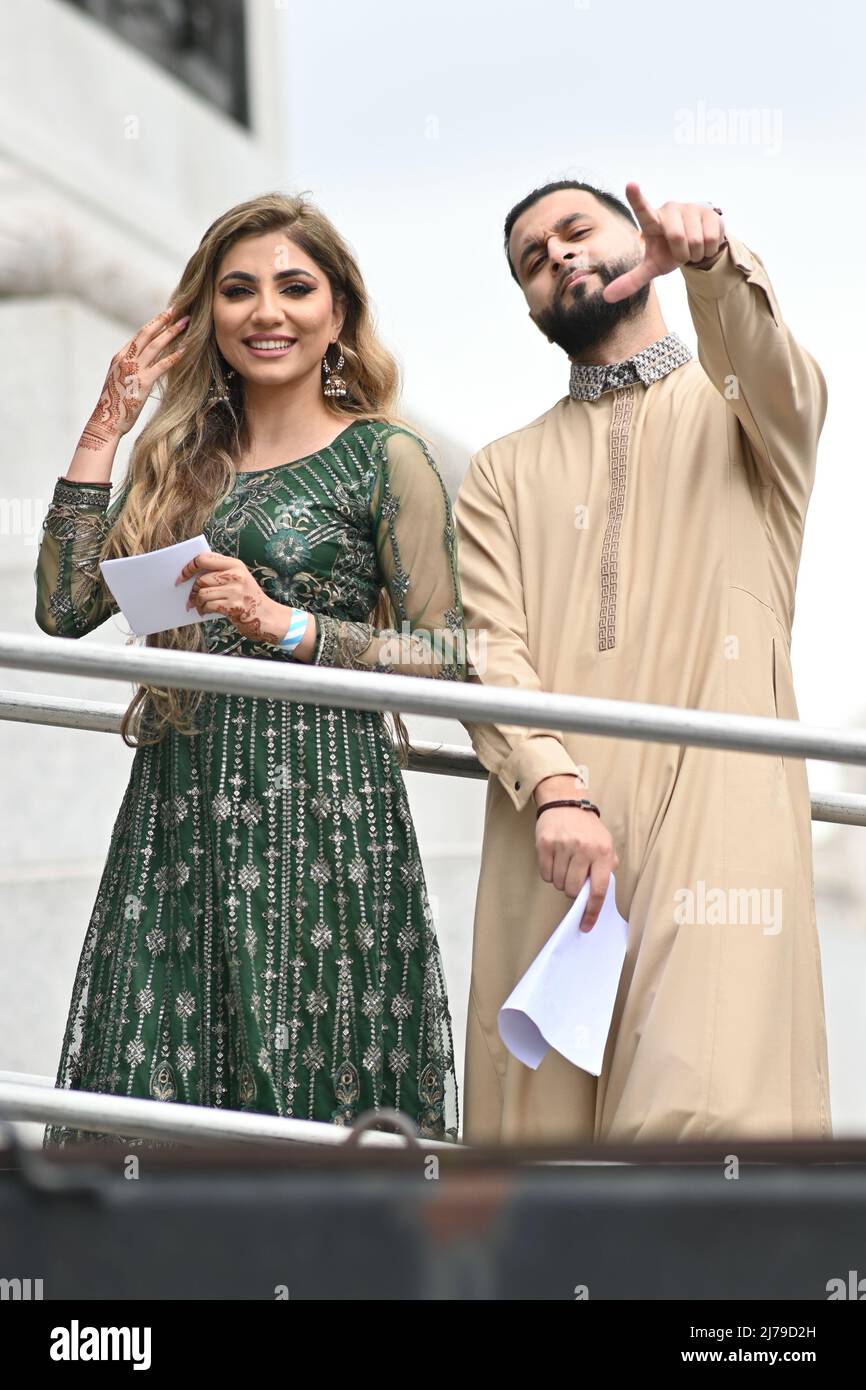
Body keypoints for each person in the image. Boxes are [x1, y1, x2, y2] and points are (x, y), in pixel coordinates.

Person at [35, 191, 467, 1147]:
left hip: (324, 813)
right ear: (208, 316)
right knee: (150, 1083)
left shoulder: (384, 458)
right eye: (239, 291)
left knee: (309, 1084)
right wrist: (111, 420)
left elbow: (452, 652)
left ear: (339, 316)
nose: (267, 312)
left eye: (294, 288)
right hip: (179, 810)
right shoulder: (179, 457)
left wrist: (289, 626)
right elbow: (64, 610)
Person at [453, 178, 831, 1144]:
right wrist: (555, 788)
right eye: (533, 262)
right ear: (532, 307)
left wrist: (714, 262)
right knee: (541, 1141)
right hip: (556, 832)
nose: (559, 259)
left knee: (700, 1114)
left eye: (577, 232)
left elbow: (770, 366)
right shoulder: (502, 471)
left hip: (720, 806)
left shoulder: (748, 416)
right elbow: (490, 650)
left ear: (641, 238)